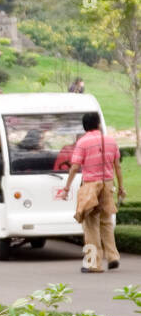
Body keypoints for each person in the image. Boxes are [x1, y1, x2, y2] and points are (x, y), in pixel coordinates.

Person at [57, 112, 126, 272]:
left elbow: (74, 167)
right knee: (106, 222)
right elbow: (118, 166)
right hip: (108, 185)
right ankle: (113, 256)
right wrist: (121, 187)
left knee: (90, 226)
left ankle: (93, 263)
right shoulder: (111, 141)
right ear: (98, 124)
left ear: (84, 126)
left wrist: (66, 188)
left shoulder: (82, 142)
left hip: (90, 186)